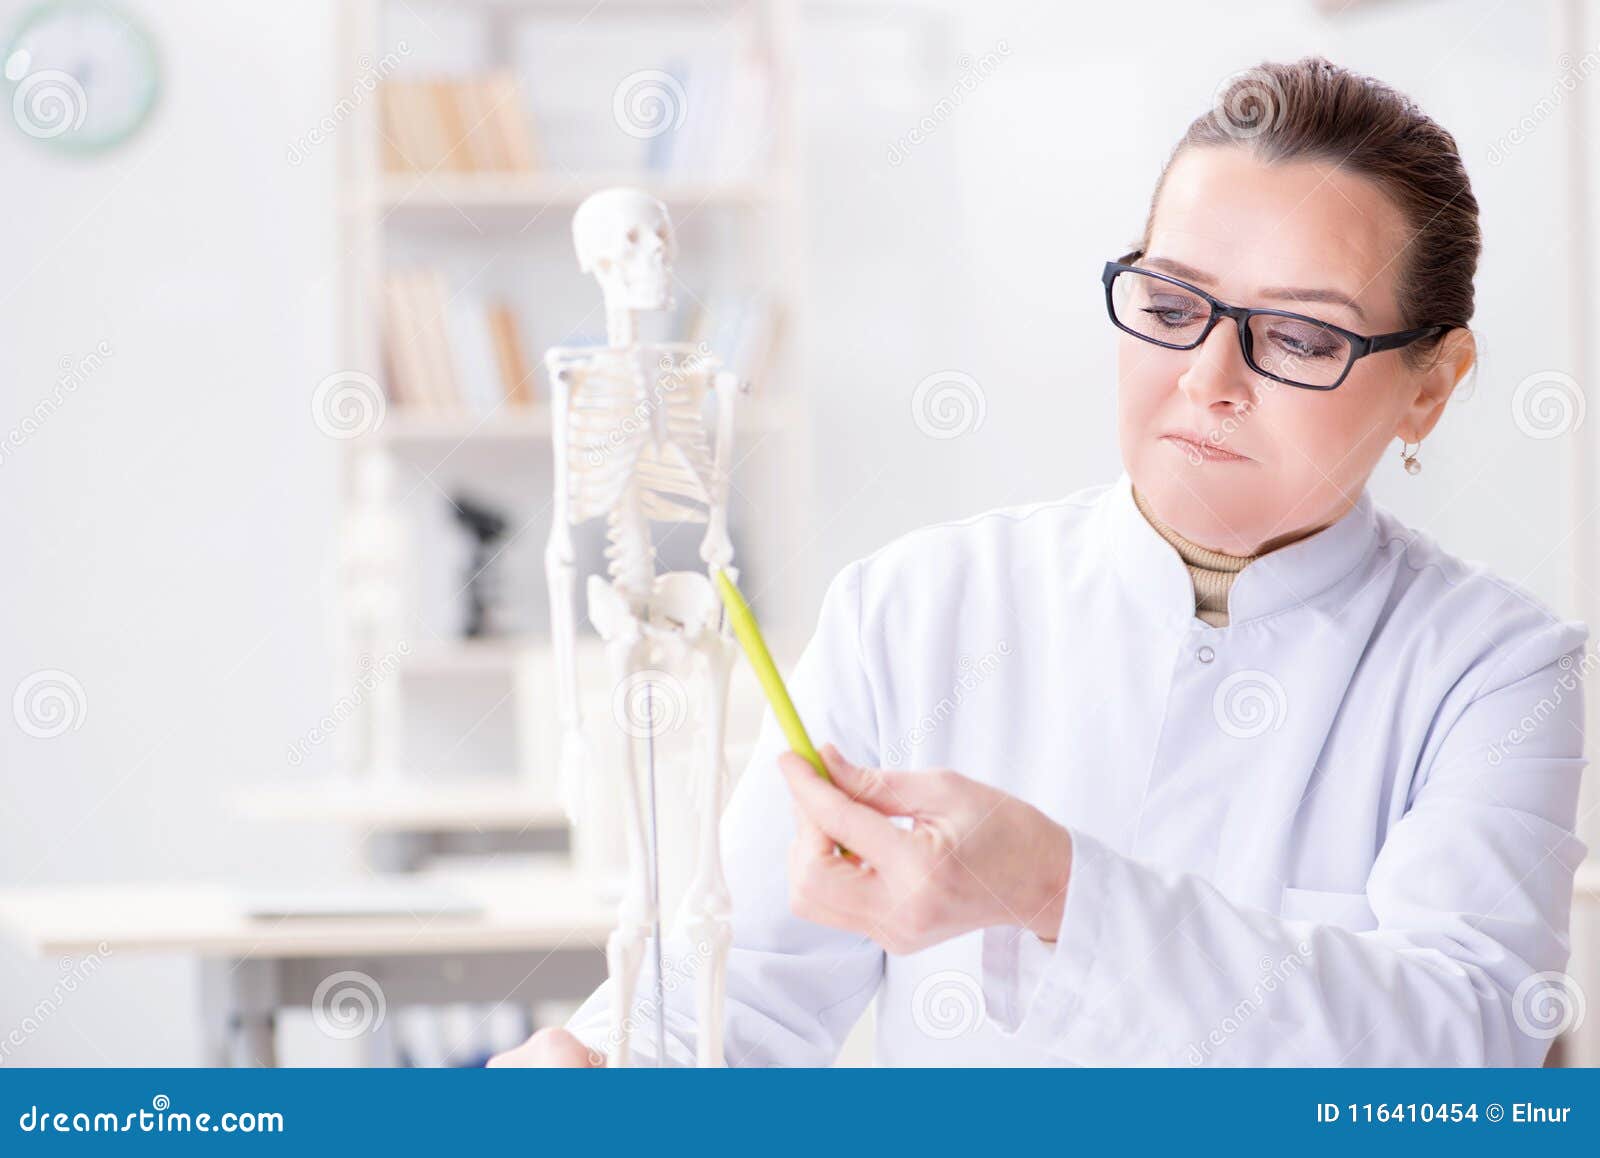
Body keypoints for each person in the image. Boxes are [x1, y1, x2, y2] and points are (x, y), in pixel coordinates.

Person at [492, 56, 1587, 1067]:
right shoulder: (914, 609)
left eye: (1299, 337)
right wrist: (598, 1064)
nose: (1209, 375)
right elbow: (734, 1001)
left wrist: (1054, 887)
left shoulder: (1493, 669)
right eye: (1169, 305)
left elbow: (1467, 1048)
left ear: (1431, 385)